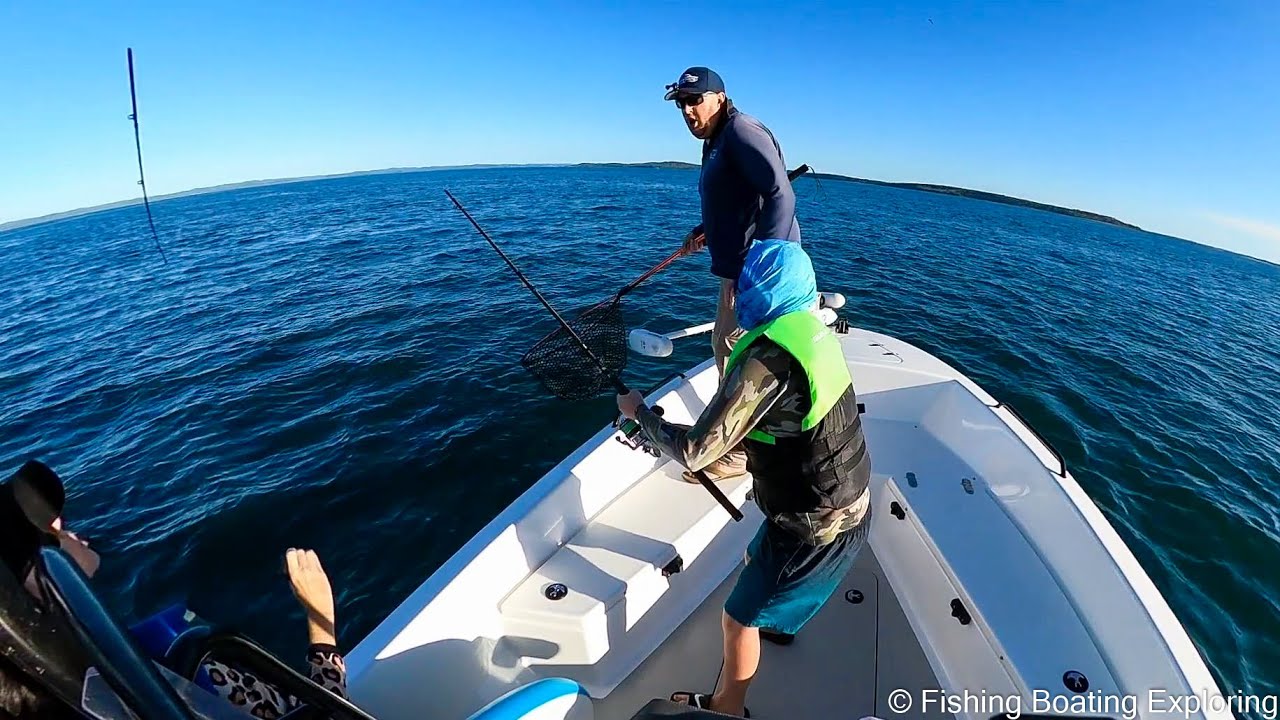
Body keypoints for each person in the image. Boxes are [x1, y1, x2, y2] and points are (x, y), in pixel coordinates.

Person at [616, 239, 872, 718]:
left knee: (736, 620)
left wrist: (641, 415)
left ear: (748, 294)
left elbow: (694, 451)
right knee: (762, 560)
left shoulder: (767, 362)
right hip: (849, 503)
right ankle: (780, 625)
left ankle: (728, 707)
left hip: (812, 526)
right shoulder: (809, 331)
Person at [0, 459, 349, 720]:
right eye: (52, 533)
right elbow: (327, 716)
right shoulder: (174, 672)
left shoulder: (76, 693)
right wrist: (322, 625)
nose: (67, 529)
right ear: (31, 580)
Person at [665, 65, 802, 483]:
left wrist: (761, 269)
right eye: (682, 103)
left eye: (696, 100)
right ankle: (746, 440)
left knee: (735, 356)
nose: (688, 110)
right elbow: (740, 198)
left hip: (756, 274)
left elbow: (781, 193)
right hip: (742, 270)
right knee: (729, 350)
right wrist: (704, 230)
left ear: (719, 98)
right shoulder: (716, 138)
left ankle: (738, 452)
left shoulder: (742, 132)